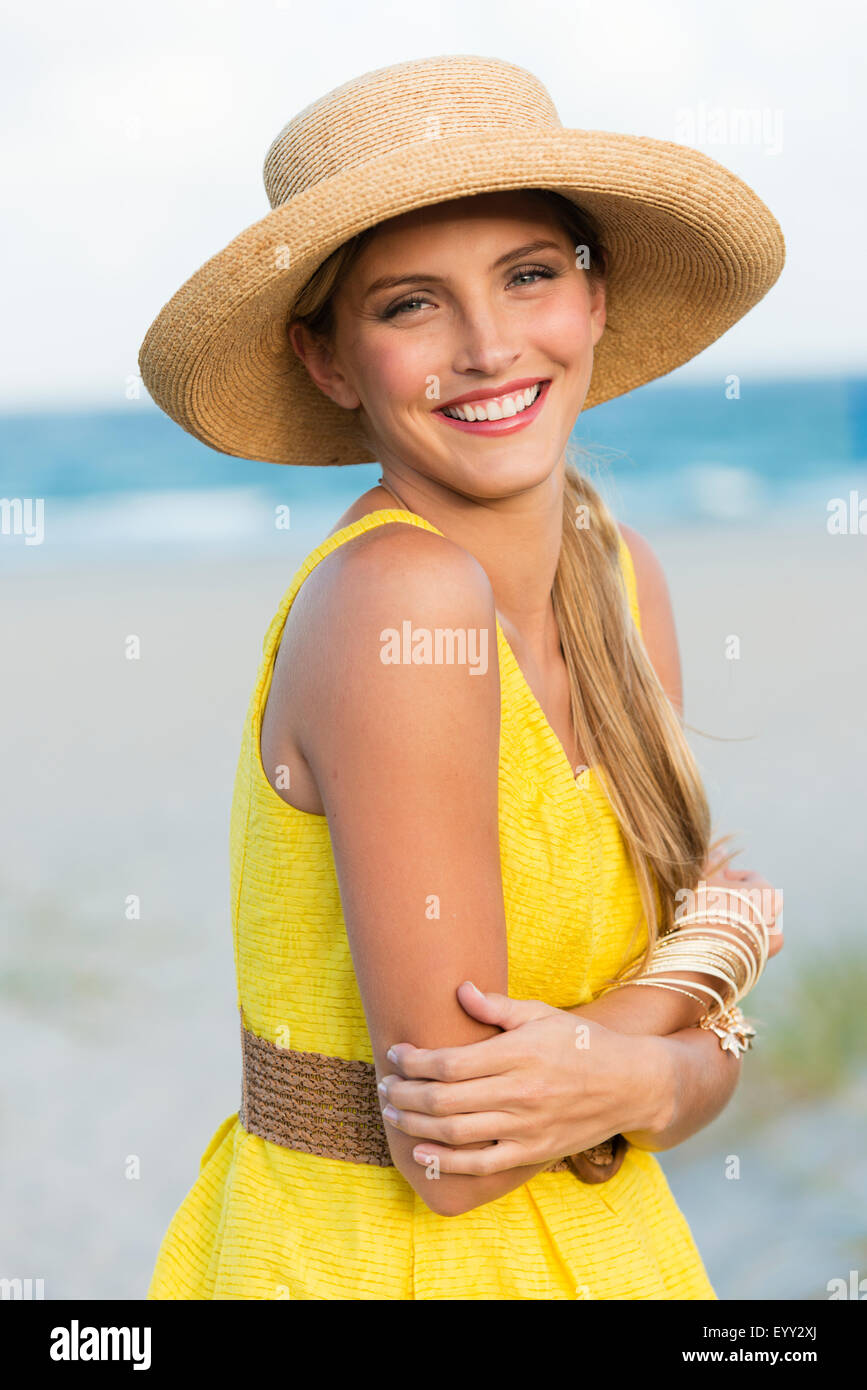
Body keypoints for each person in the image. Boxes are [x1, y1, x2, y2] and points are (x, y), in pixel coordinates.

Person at [139, 54, 786, 1300]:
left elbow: (652, 1079)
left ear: (594, 300)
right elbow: (460, 1152)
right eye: (410, 305)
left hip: (615, 1252)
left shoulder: (621, 578)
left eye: (530, 275)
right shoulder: (399, 601)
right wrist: (715, 960)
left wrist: (666, 1046)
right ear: (329, 361)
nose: (491, 347)